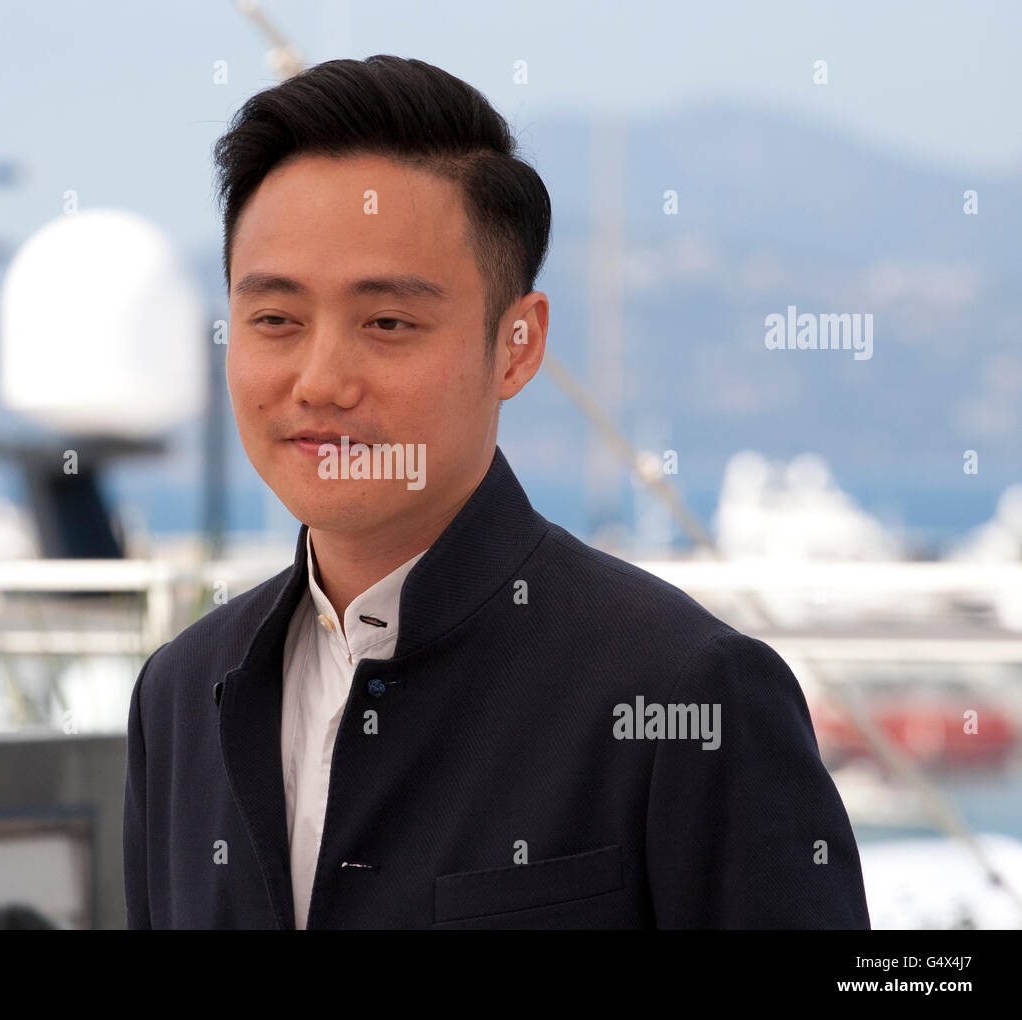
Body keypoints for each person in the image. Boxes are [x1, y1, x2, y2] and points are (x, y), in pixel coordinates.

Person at [123, 55, 870, 930]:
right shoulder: (180, 693)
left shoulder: (684, 689)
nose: (320, 380)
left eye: (388, 322)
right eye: (276, 320)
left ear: (516, 344)